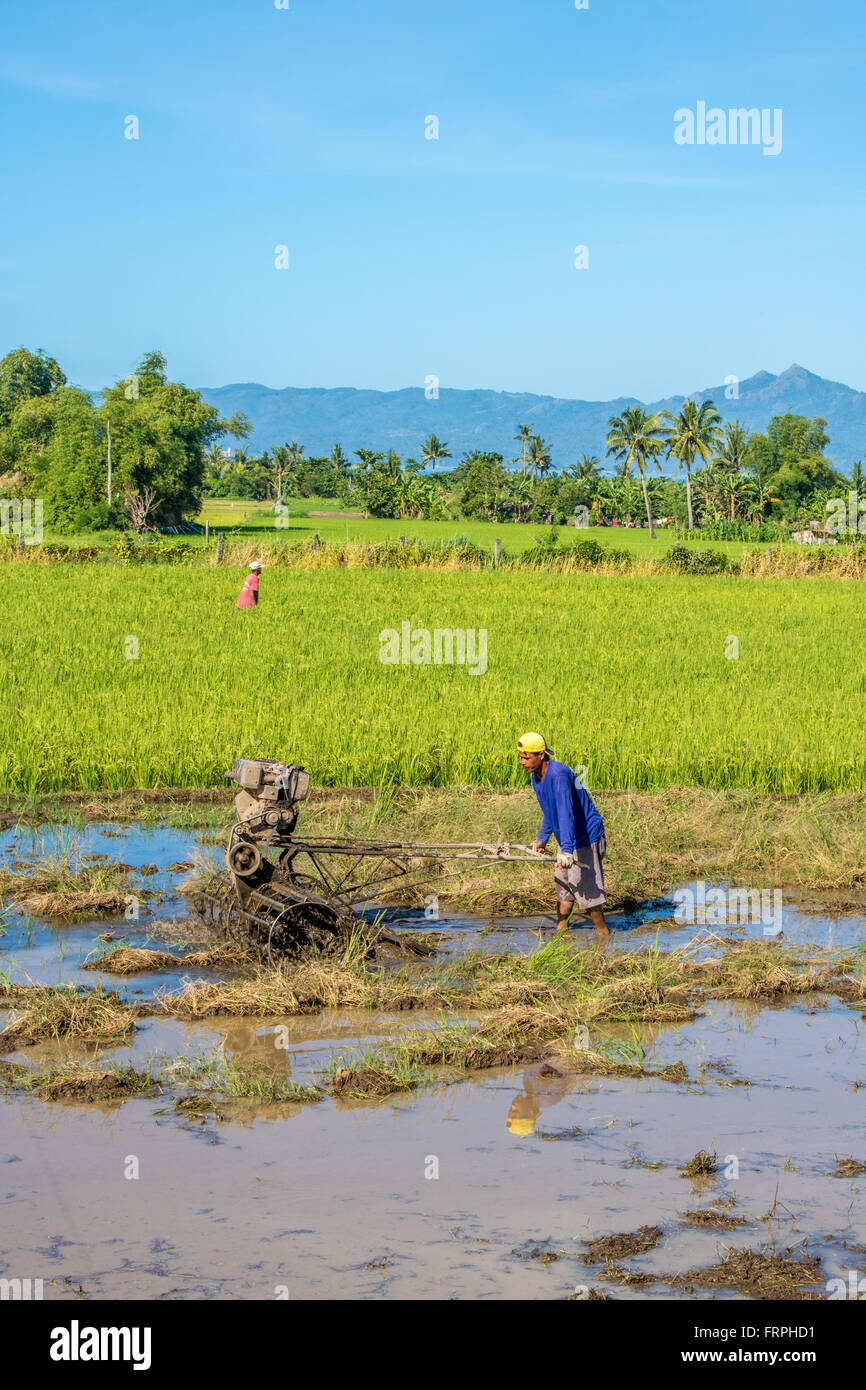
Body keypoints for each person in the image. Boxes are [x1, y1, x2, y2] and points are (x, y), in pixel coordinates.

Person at [517, 731, 610, 938]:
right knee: (563, 886)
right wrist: (542, 838)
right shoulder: (536, 775)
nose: (523, 762)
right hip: (568, 837)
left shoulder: (558, 775)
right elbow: (550, 811)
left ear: (541, 755)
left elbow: (566, 813)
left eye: (527, 757)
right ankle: (561, 932)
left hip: (584, 836)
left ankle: (604, 936)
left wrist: (566, 850)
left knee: (586, 889)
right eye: (521, 757)